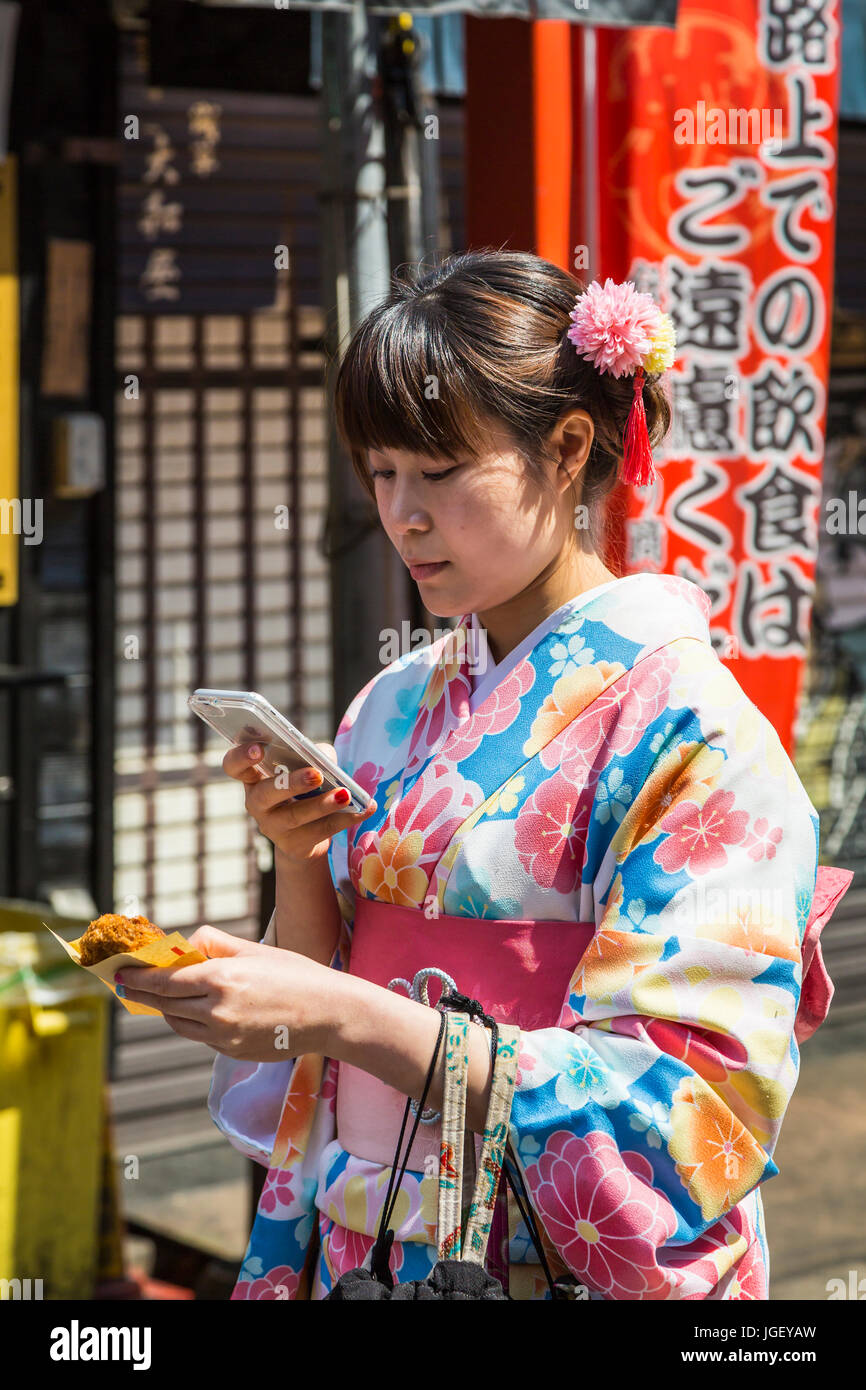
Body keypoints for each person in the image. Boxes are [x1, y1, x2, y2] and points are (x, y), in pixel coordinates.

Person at [117, 250, 850, 1299]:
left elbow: (676, 1109)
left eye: (439, 470)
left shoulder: (697, 733)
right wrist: (297, 858)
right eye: (379, 471)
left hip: (539, 1256)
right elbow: (341, 981)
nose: (402, 514)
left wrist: (336, 1016)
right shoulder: (392, 703)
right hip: (364, 1237)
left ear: (564, 447)